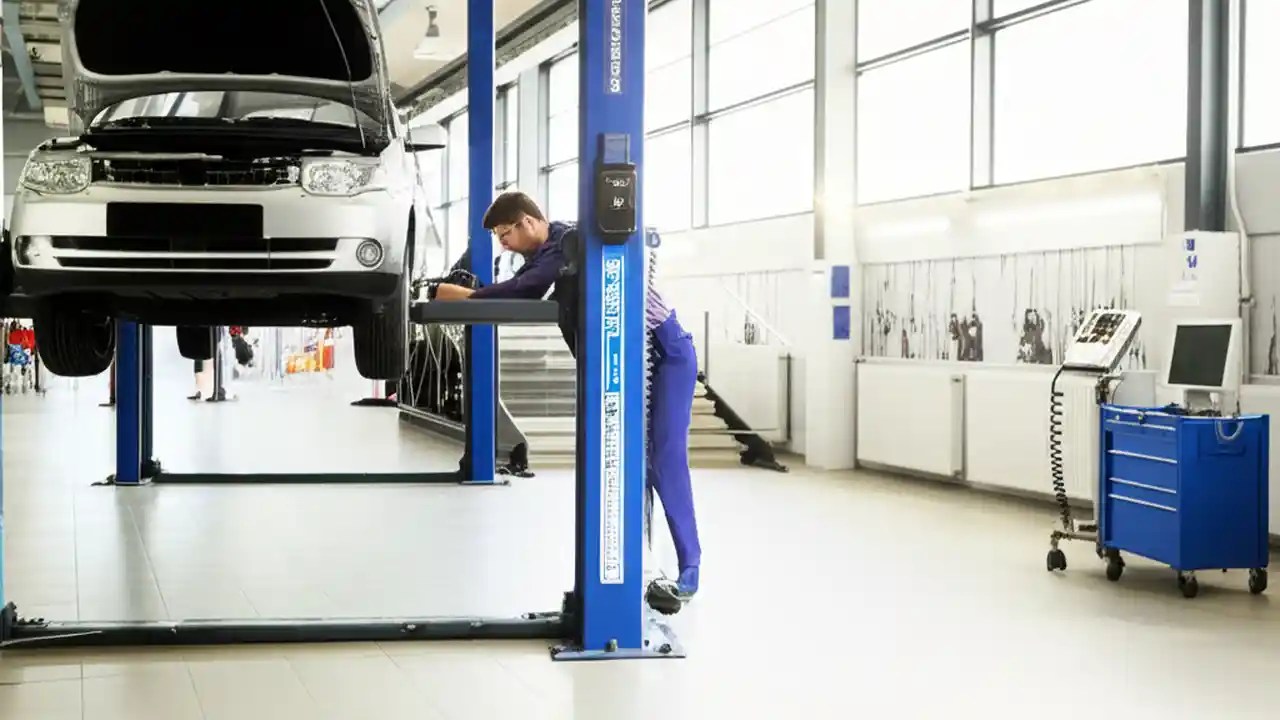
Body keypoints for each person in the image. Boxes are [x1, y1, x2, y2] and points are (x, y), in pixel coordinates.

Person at [434, 191, 701, 609]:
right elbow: (529, 284)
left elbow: (529, 289)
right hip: (623, 360)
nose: (504, 244)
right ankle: (641, 566)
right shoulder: (555, 248)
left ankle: (689, 571)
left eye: (505, 235)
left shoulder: (569, 242)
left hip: (664, 354)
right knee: (628, 461)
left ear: (526, 223)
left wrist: (466, 298)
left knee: (663, 459)